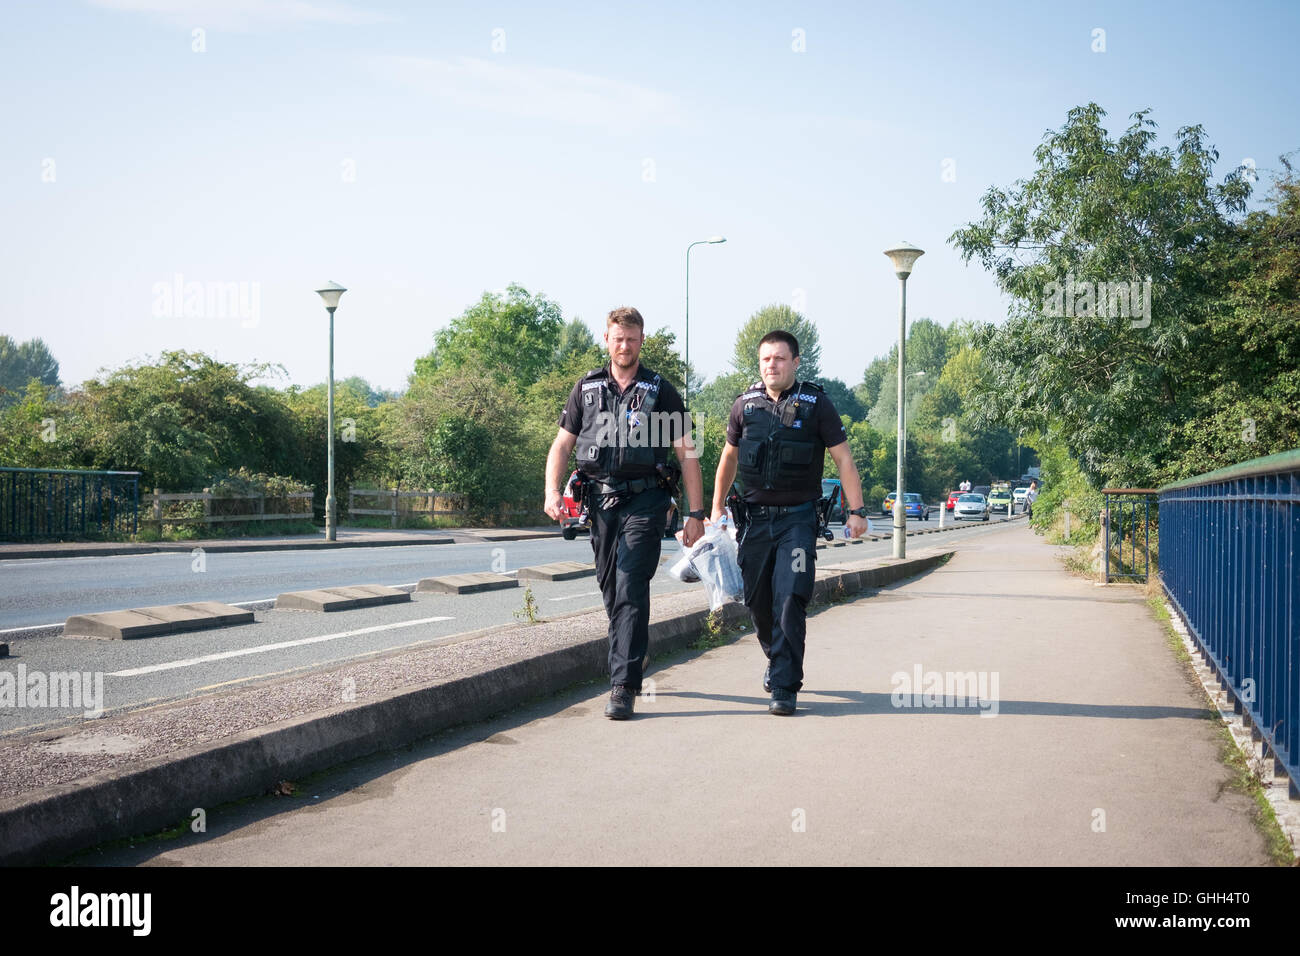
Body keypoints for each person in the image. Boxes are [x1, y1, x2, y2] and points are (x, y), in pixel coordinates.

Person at [544, 307, 706, 720]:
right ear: (607, 339)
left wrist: (696, 513)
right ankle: (634, 653)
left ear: (641, 341)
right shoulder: (586, 387)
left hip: (646, 501)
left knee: (631, 582)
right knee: (611, 589)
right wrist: (551, 491)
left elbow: (688, 454)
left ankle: (623, 686)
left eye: (632, 339)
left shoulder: (659, 390)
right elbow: (563, 445)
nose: (624, 345)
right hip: (599, 503)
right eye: (618, 338)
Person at [710, 330, 870, 716]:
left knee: (790, 597)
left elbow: (843, 459)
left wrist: (857, 510)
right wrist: (715, 508)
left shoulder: (817, 404)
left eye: (780, 359)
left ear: (795, 362)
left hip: (798, 521)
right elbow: (728, 459)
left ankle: (784, 685)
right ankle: (776, 657)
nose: (772, 366)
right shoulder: (744, 405)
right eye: (766, 359)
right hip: (754, 521)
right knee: (757, 601)